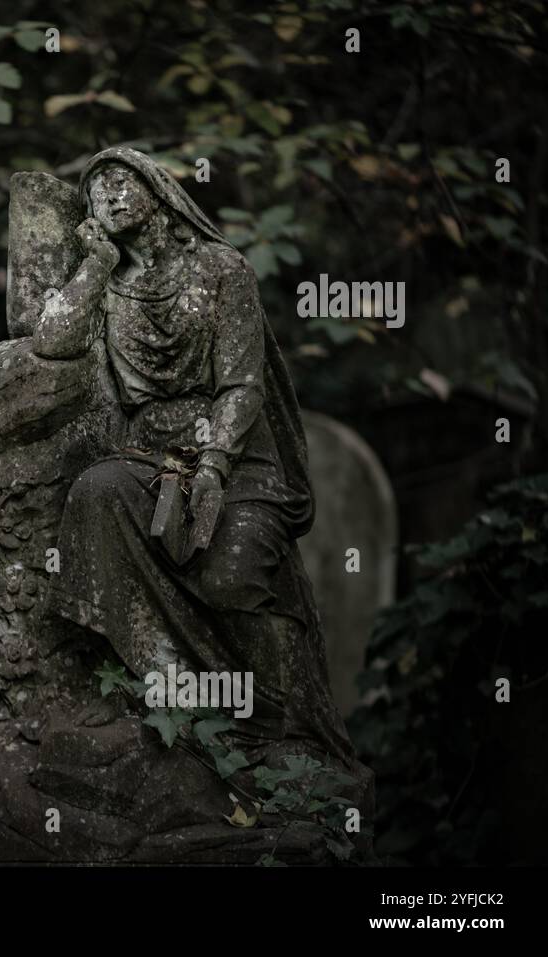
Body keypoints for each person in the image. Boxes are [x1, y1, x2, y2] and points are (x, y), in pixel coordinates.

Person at [36, 146, 355, 766]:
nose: (111, 194)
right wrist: (96, 263)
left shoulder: (219, 269)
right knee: (95, 494)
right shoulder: (107, 284)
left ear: (158, 190)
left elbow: (242, 384)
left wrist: (213, 468)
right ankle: (150, 683)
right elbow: (52, 340)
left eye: (122, 180)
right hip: (150, 458)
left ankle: (266, 719)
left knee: (230, 572)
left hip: (235, 459)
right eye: (96, 190)